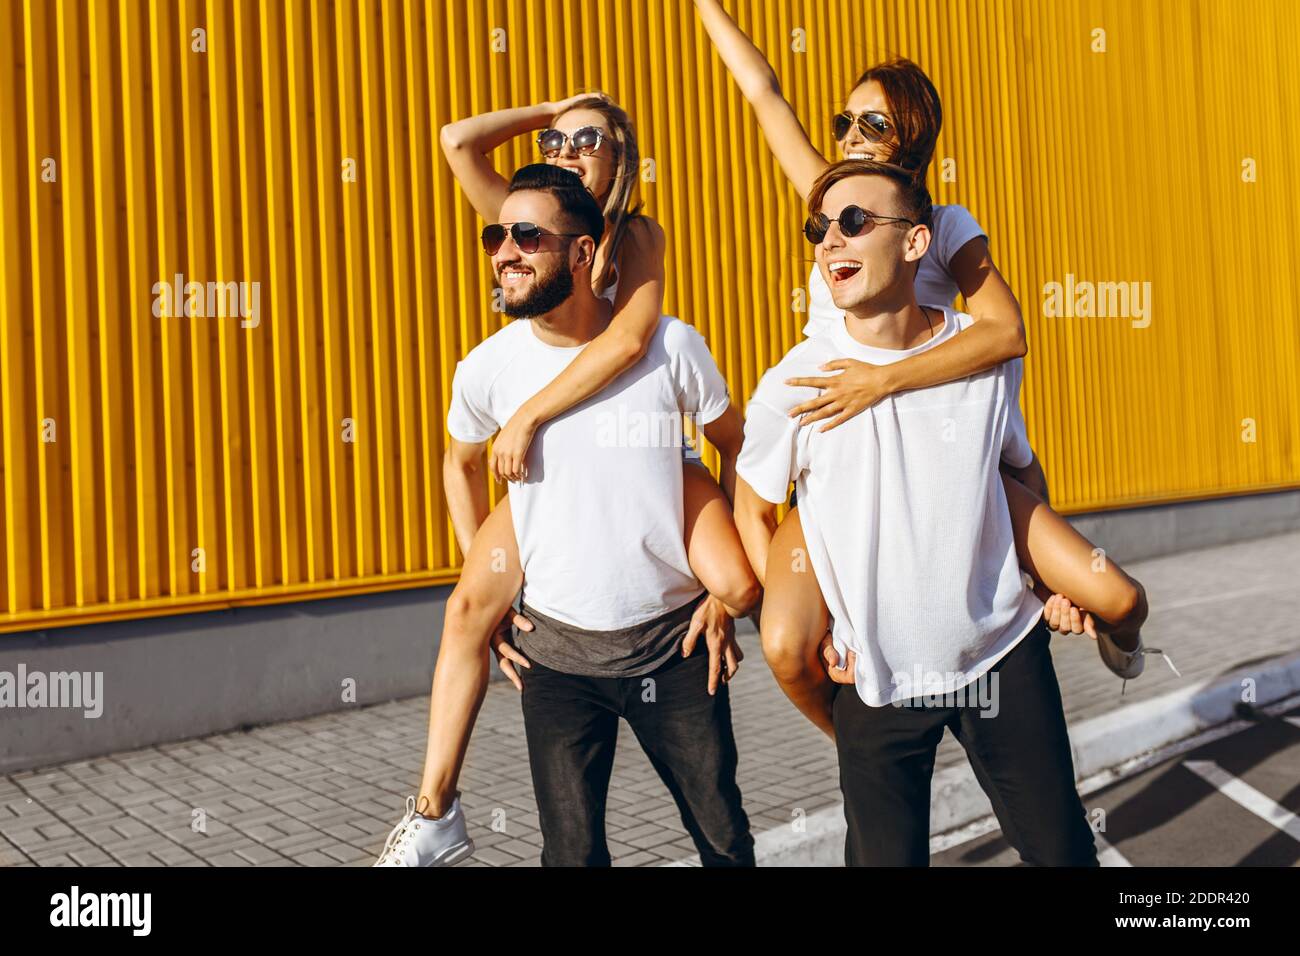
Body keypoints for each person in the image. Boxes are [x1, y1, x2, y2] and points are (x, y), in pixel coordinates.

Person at [693, 0, 1155, 739]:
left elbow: (1008, 332)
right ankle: (865, 741)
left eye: (870, 124)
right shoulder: (832, 199)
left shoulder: (943, 227)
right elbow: (762, 90)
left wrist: (882, 379)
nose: (848, 136)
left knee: (1121, 598)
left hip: (950, 454)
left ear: (911, 136)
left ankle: (1114, 641)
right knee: (784, 643)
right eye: (844, 121)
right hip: (845, 460)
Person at [378, 93, 761, 863]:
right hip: (559, 653)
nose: (508, 247)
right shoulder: (519, 264)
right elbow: (457, 143)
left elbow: (625, 343)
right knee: (466, 617)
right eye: (558, 138)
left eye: (590, 138)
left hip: (661, 563)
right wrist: (491, 578)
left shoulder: (640, 254)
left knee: (722, 833)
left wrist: (526, 420)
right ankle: (433, 813)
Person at [733, 160, 1099, 865]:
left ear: (914, 242)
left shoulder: (979, 353)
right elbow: (753, 511)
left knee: (1062, 852)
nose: (831, 241)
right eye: (820, 228)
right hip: (875, 675)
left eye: (854, 222)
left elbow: (1018, 470)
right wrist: (809, 620)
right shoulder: (795, 380)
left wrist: (1049, 581)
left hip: (1002, 652)